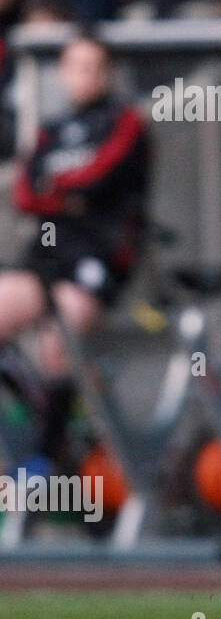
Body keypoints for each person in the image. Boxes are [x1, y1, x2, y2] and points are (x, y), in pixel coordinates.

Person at [0, 34, 149, 466]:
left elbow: (99, 177)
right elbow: (26, 194)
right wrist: (69, 196)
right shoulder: (52, 129)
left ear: (108, 72)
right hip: (46, 255)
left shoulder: (125, 122)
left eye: (94, 67)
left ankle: (49, 455)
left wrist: (62, 189)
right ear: (63, 71)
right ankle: (36, 405)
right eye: (76, 66)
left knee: (59, 339)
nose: (84, 76)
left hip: (97, 258)